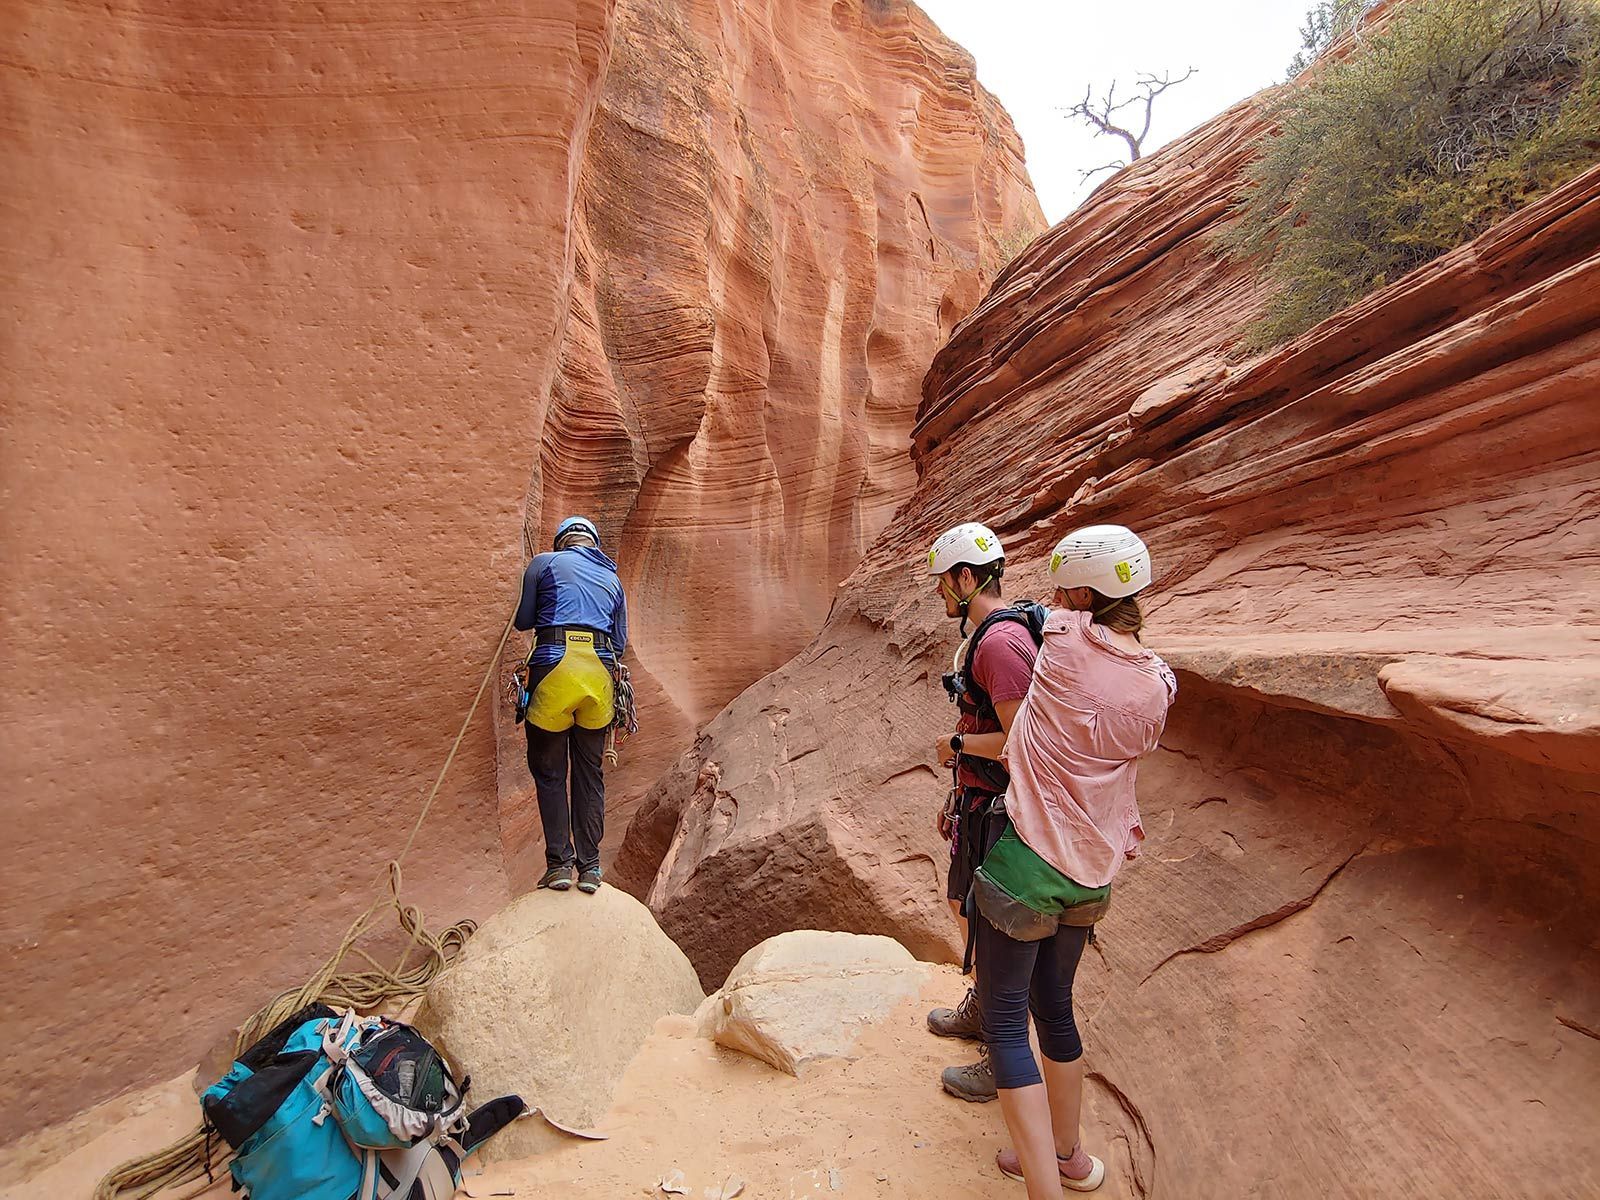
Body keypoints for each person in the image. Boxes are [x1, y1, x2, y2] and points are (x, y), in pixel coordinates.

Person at [976, 524, 1175, 1196]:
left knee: (1005, 1024)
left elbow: (1029, 622)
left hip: (1030, 863)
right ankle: (1070, 1157)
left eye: (1067, 583)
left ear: (1085, 592)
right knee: (1054, 1009)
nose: (1057, 592)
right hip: (1094, 871)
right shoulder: (1158, 685)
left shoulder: (1060, 639)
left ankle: (1043, 1188)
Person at [923, 521, 1045, 1104]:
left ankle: (1000, 1055)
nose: (940, 594)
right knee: (961, 903)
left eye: (943, 583)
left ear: (966, 577)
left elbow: (1020, 737)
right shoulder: (989, 638)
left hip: (998, 804)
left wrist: (958, 749)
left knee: (994, 926)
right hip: (977, 798)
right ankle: (981, 1007)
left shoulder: (998, 645)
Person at [513, 515, 628, 895]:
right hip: (598, 673)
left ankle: (559, 866)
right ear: (591, 543)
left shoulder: (544, 563)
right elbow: (621, 641)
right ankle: (591, 868)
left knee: (549, 773)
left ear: (562, 540)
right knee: (589, 773)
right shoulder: (612, 577)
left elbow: (524, 621)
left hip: (554, 666)